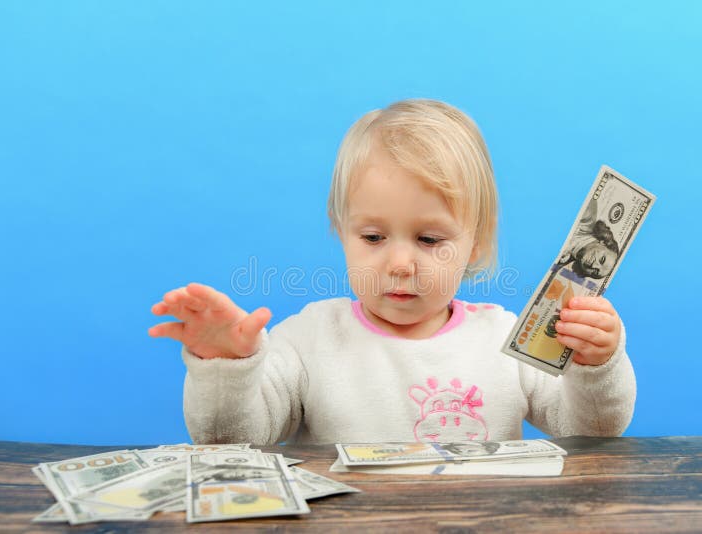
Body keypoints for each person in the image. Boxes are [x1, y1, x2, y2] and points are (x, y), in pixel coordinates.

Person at [148, 99, 636, 446]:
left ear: (476, 243)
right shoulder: (307, 340)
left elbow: (591, 433)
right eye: (373, 237)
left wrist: (596, 366)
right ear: (342, 232)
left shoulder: (506, 340)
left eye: (429, 240)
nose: (400, 264)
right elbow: (234, 439)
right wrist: (225, 369)